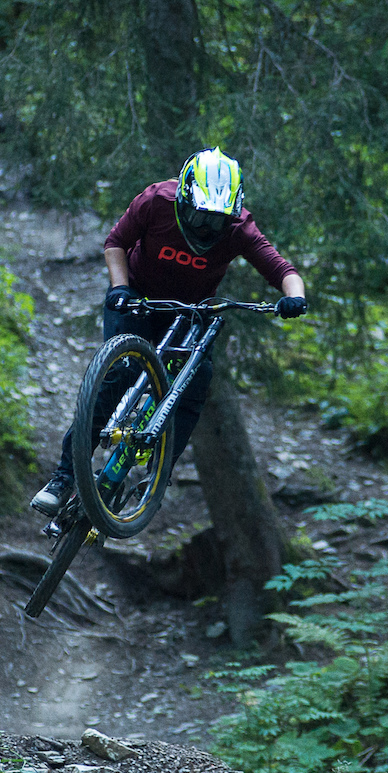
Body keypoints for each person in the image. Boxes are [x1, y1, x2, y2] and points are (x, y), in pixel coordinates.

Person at [31, 147, 307, 516]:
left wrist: (295, 298)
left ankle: (160, 472)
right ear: (182, 199)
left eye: (217, 222)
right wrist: (119, 289)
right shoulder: (156, 201)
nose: (206, 228)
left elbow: (283, 270)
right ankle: (64, 477)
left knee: (198, 380)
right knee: (120, 373)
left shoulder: (240, 227)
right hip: (137, 299)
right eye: (199, 217)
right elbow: (116, 243)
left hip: (191, 312)